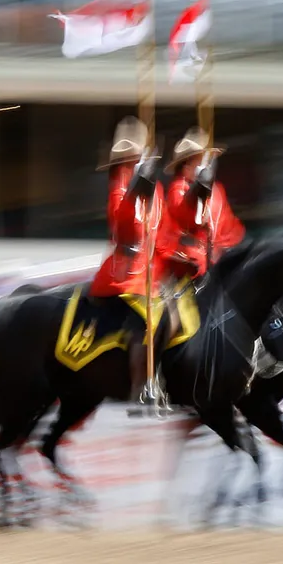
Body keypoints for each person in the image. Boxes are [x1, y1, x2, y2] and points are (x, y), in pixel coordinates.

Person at [89, 117, 164, 403]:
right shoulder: (120, 187)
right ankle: (141, 386)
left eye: (136, 158)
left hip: (154, 267)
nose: (132, 163)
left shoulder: (154, 189)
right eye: (129, 159)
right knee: (145, 320)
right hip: (126, 271)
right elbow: (124, 228)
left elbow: (162, 229)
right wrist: (135, 189)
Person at [155, 127, 246, 290]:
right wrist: (199, 188)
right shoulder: (178, 189)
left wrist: (231, 250)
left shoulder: (217, 189)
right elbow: (186, 214)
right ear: (187, 165)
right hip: (189, 263)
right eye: (202, 160)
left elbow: (228, 228)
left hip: (219, 259)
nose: (208, 164)